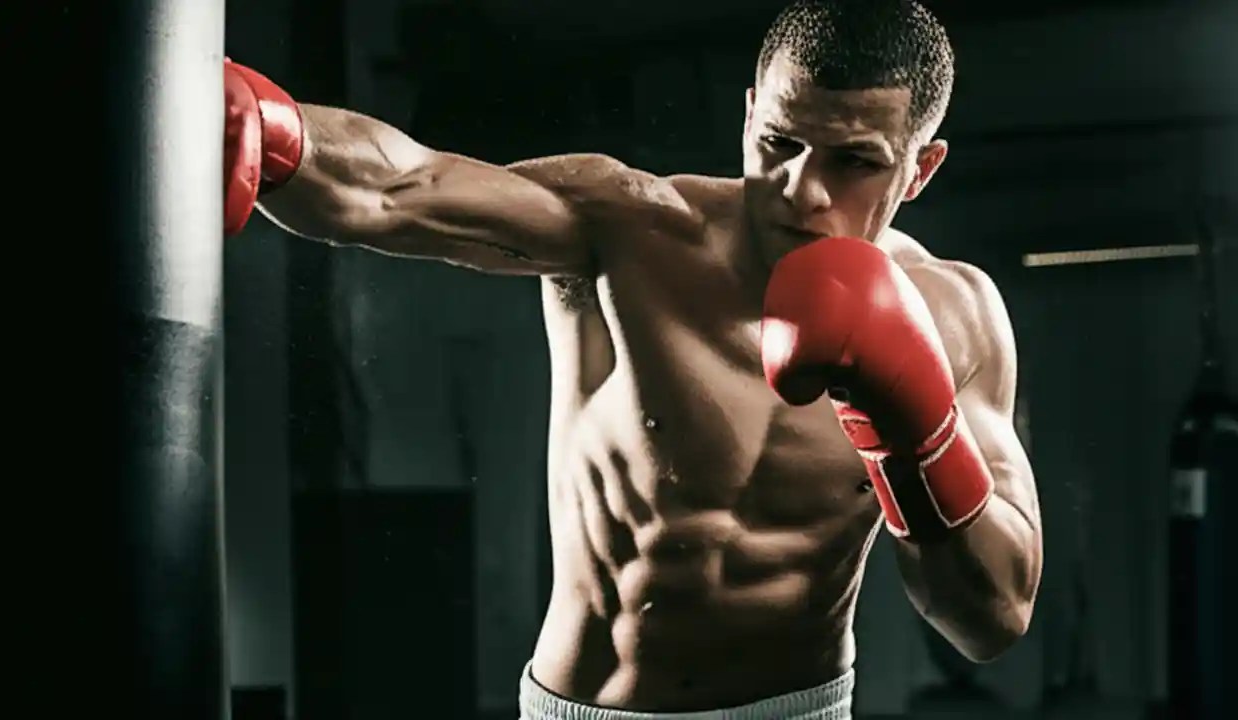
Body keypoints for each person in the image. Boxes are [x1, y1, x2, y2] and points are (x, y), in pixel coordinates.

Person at [224, 0, 1043, 717]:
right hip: (588, 708)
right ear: (749, 114)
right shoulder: (632, 229)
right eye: (780, 142)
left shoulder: (955, 318)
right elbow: (402, 186)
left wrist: (913, 428)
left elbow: (992, 617)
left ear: (919, 167)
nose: (800, 189)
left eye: (853, 160)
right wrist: (270, 124)